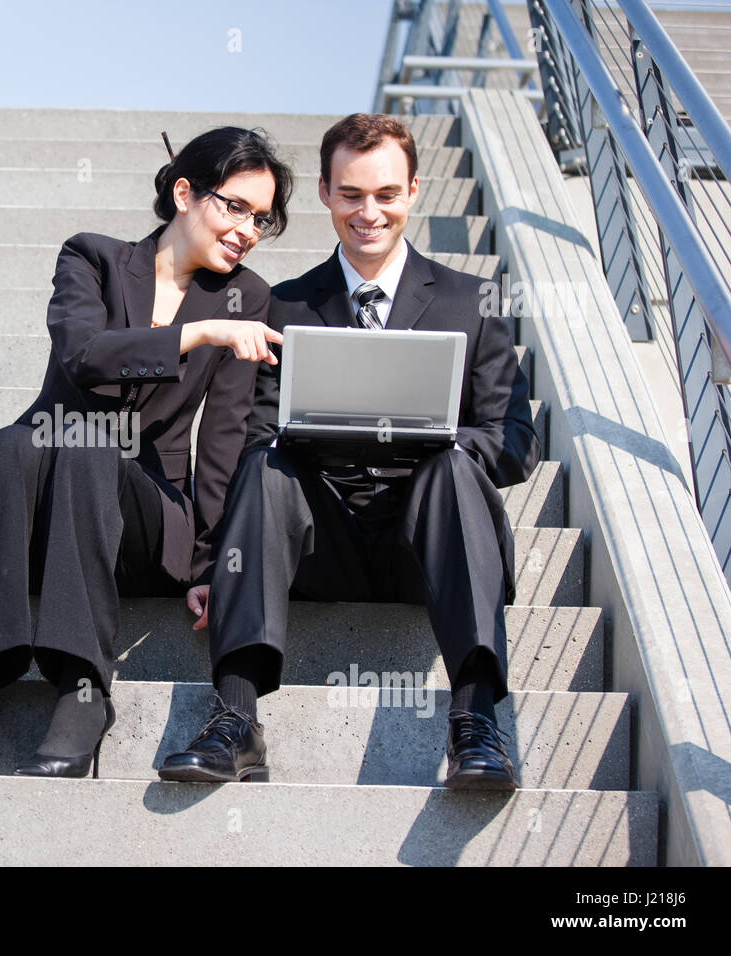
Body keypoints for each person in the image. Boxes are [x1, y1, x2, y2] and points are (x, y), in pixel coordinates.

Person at [159, 113, 539, 790]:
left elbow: (515, 440)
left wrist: (434, 440)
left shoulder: (472, 300)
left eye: (386, 194)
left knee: (452, 464)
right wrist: (219, 558)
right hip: (320, 543)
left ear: (415, 191)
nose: (369, 213)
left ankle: (478, 723)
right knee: (268, 463)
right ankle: (236, 719)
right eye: (352, 194)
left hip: (431, 542)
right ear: (327, 196)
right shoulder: (285, 305)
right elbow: (251, 434)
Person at [0, 127, 295, 778]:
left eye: (261, 218)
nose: (248, 229)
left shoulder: (246, 299)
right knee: (14, 446)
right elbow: (82, 356)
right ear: (185, 192)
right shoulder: (92, 259)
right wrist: (197, 333)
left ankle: (83, 690)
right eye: (235, 206)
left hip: (144, 511)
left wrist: (212, 564)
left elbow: (224, 440)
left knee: (90, 451)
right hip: (41, 485)